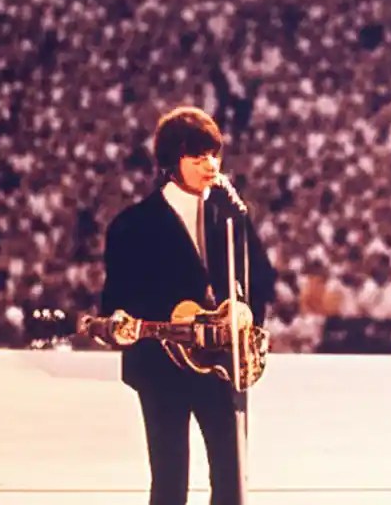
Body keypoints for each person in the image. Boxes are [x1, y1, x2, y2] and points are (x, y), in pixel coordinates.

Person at [98, 105, 276, 505]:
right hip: (161, 366)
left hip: (221, 363)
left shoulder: (230, 215)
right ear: (171, 163)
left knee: (231, 479)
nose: (210, 165)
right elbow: (117, 299)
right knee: (169, 480)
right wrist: (171, 313)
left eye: (214, 155)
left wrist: (246, 314)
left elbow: (261, 277)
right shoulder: (133, 224)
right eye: (197, 157)